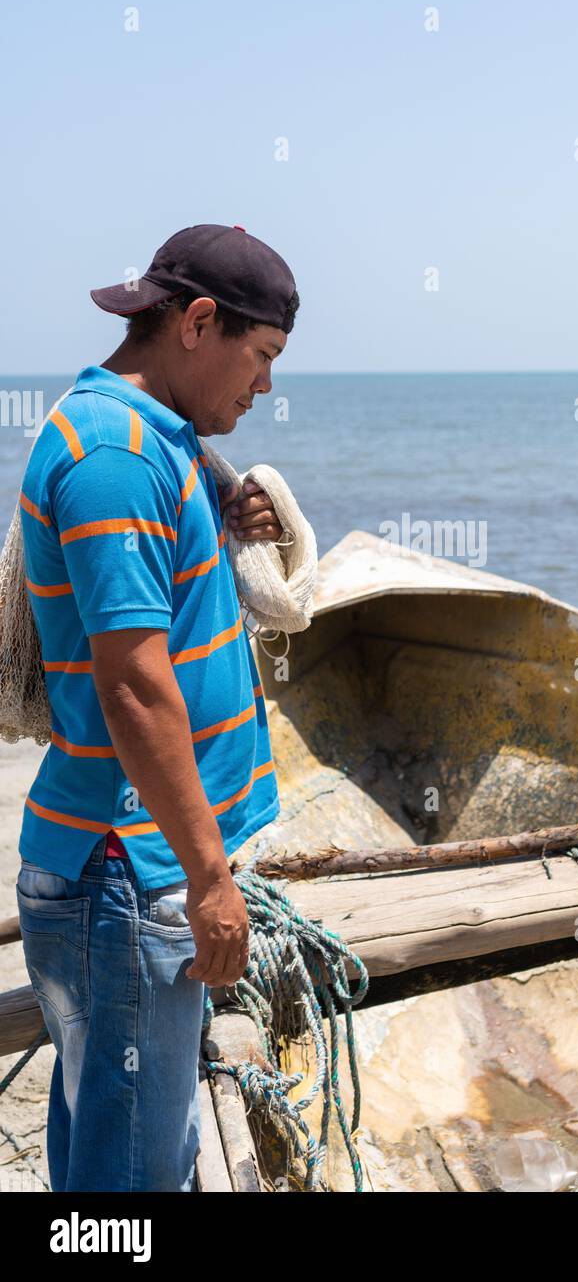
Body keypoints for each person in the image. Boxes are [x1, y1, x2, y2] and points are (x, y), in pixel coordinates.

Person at [14, 223, 299, 1191]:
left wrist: (217, 516)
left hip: (126, 873)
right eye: (258, 358)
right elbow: (134, 688)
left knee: (114, 1161)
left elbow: (155, 600)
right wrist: (210, 877)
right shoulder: (117, 457)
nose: (263, 386)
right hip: (126, 876)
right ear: (198, 322)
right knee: (131, 1187)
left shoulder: (153, 443)